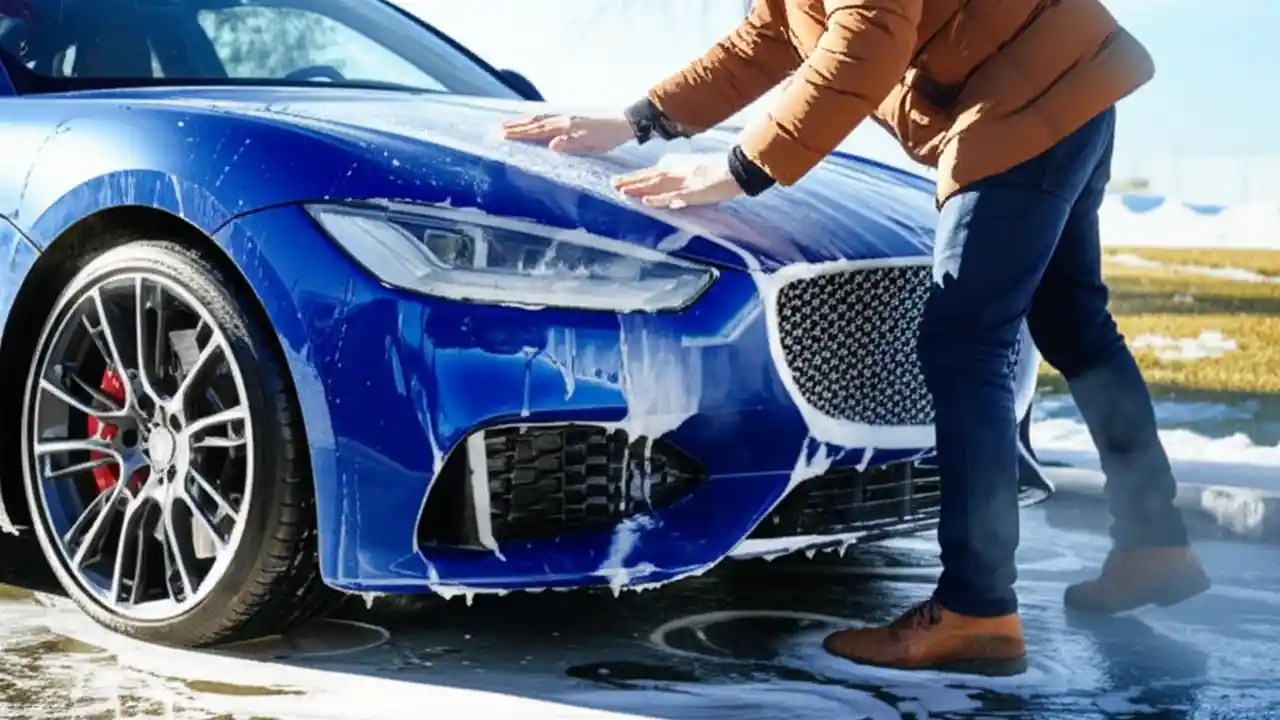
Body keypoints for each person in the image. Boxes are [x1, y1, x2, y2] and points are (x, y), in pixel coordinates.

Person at [500, 0, 1210, 677]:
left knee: (967, 344)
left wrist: (738, 169)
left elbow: (864, 46)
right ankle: (1152, 541)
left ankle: (977, 607)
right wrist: (635, 121)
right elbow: (766, 41)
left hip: (1022, 102)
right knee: (1072, 321)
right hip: (1068, 81)